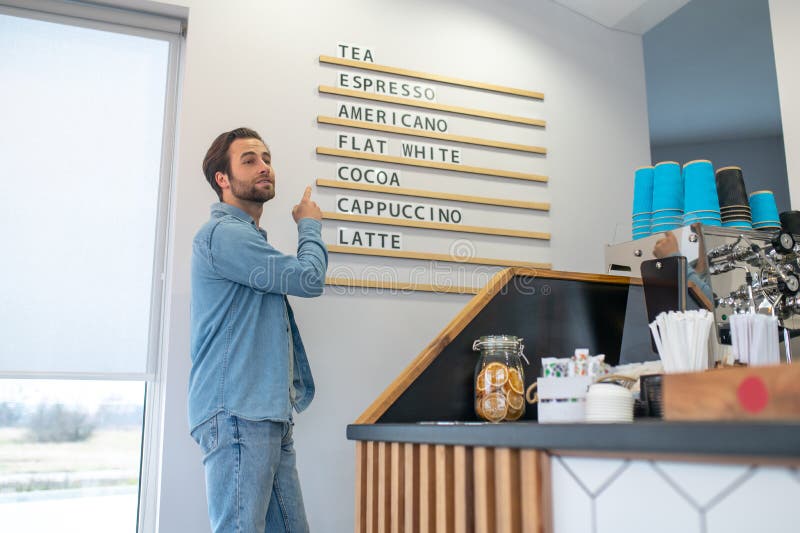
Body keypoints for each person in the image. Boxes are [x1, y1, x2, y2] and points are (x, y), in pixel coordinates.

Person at [189, 127, 327, 533]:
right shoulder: (224, 235)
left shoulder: (247, 241)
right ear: (223, 179)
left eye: (266, 158)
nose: (264, 166)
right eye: (249, 160)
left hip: (264, 414)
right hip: (238, 413)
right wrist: (309, 226)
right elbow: (308, 278)